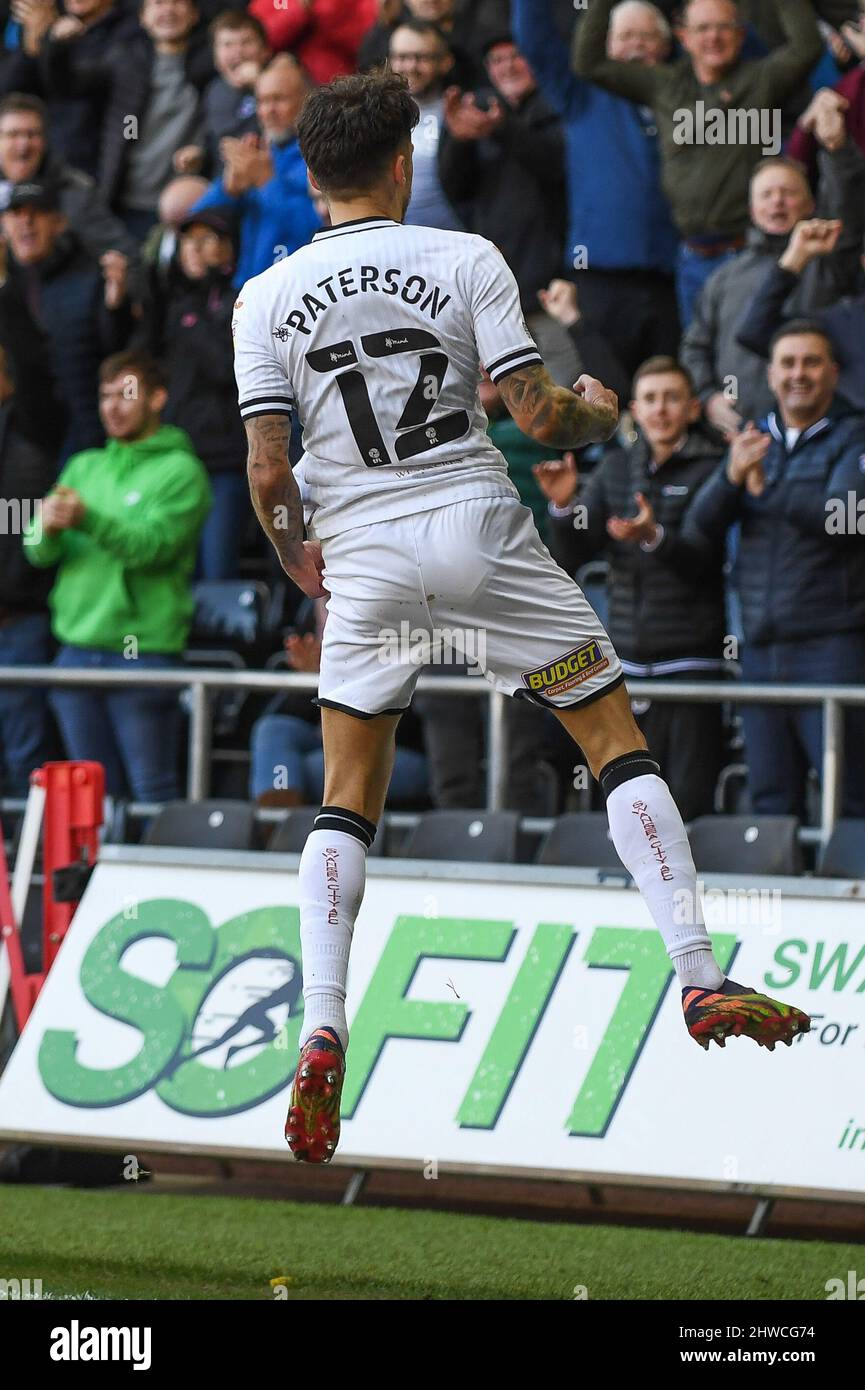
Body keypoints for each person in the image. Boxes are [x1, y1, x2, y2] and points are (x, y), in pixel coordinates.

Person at [232, 69, 811, 1165]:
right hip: (474, 525)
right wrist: (594, 410)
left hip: (358, 550)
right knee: (609, 737)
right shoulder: (463, 258)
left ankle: (320, 1022)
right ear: (404, 163)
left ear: (310, 175)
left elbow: (268, 469)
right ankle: (695, 974)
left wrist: (297, 554)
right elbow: (539, 414)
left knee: (345, 795)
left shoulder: (262, 298)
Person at [536, 357, 728, 821]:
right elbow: (577, 554)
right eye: (651, 399)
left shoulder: (712, 468)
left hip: (691, 661)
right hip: (624, 663)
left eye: (671, 398)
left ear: (693, 408)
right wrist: (564, 507)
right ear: (635, 411)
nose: (661, 409)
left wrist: (653, 537)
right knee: (626, 802)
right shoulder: (617, 467)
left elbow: (706, 559)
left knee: (686, 802)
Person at [688, 321, 865, 818]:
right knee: (768, 800)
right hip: (761, 649)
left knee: (848, 798)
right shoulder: (754, 436)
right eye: (788, 363)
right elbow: (699, 527)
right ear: (770, 374)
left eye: (811, 362)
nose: (798, 374)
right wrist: (730, 477)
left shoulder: (856, 433)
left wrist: (767, 490)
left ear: (833, 371)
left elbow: (846, 516)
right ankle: (777, 894)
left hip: (833, 648)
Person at [24, 349, 212, 802]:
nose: (112, 406)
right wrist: (45, 528)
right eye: (104, 396)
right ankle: (89, 874)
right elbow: (35, 551)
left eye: (125, 394)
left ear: (158, 398)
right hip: (76, 651)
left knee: (152, 791)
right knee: (86, 797)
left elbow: (152, 549)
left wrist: (87, 519)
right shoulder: (83, 465)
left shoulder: (182, 471)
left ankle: (159, 876)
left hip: (142, 653)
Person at [572, 0, 823, 326]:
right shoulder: (663, 83)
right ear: (683, 36)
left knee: (745, 356)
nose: (713, 37)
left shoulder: (762, 79)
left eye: (724, 27)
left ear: (741, 34)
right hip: (690, 258)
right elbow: (587, 63)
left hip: (749, 252)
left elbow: (806, 47)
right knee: (699, 359)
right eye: (703, 28)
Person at [513, 0, 680, 394]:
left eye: (646, 35)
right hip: (600, 279)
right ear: (604, 46)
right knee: (601, 399)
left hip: (670, 279)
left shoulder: (685, 93)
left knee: (668, 396)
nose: (636, 45)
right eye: (624, 36)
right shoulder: (582, 93)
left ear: (667, 44)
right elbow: (534, 41)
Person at [681, 134, 865, 434]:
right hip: (739, 434)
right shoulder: (723, 279)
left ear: (809, 205)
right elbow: (695, 348)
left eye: (788, 192)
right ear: (752, 210)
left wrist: (837, 148)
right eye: (766, 194)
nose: (777, 201)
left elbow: (848, 205)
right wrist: (708, 398)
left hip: (817, 432)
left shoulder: (829, 262)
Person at [438, 32, 577, 384]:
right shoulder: (473, 113)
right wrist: (459, 139)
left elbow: (556, 166)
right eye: (497, 61)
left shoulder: (561, 104)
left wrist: (502, 129)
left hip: (553, 289)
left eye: (516, 56)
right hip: (496, 293)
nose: (507, 67)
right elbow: (456, 189)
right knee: (507, 403)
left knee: (565, 392)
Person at [0, 178, 136, 460]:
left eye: (36, 214)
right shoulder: (7, 281)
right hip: (21, 432)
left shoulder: (90, 277)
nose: (26, 223)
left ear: (59, 222)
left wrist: (116, 306)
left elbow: (114, 348)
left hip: (82, 435)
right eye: (16, 214)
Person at [0, 232, 66, 796]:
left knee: (25, 759)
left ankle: (26, 878)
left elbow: (36, 365)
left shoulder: (31, 428)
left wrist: (4, 286)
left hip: (17, 624)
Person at [190, 53, 320, 287]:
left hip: (300, 293)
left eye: (278, 99)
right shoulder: (259, 154)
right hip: (248, 291)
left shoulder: (323, 156)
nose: (268, 110)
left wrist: (267, 182)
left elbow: (316, 230)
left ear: (306, 101)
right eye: (261, 101)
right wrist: (229, 189)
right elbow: (197, 218)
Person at [388, 19, 463, 231]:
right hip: (396, 248)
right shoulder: (379, 116)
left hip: (458, 243)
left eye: (421, 58)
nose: (411, 66)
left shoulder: (462, 112)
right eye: (402, 57)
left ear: (446, 61)